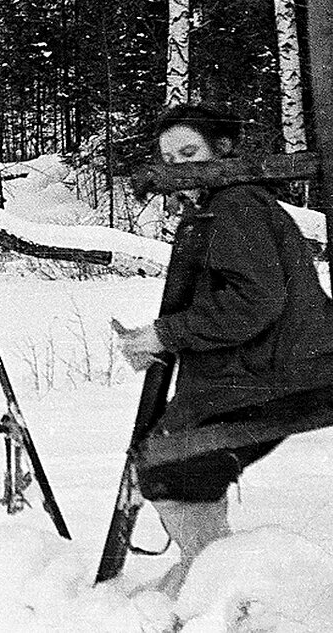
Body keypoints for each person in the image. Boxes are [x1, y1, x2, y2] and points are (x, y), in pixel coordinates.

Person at [115, 104, 333, 597]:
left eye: (190, 153)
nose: (178, 170)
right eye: (168, 159)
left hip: (284, 374)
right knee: (177, 465)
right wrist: (160, 334)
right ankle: (204, 580)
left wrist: (165, 335)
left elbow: (255, 301)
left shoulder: (235, 206)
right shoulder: (220, 207)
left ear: (224, 151)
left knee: (169, 466)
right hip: (271, 372)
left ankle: (224, 588)